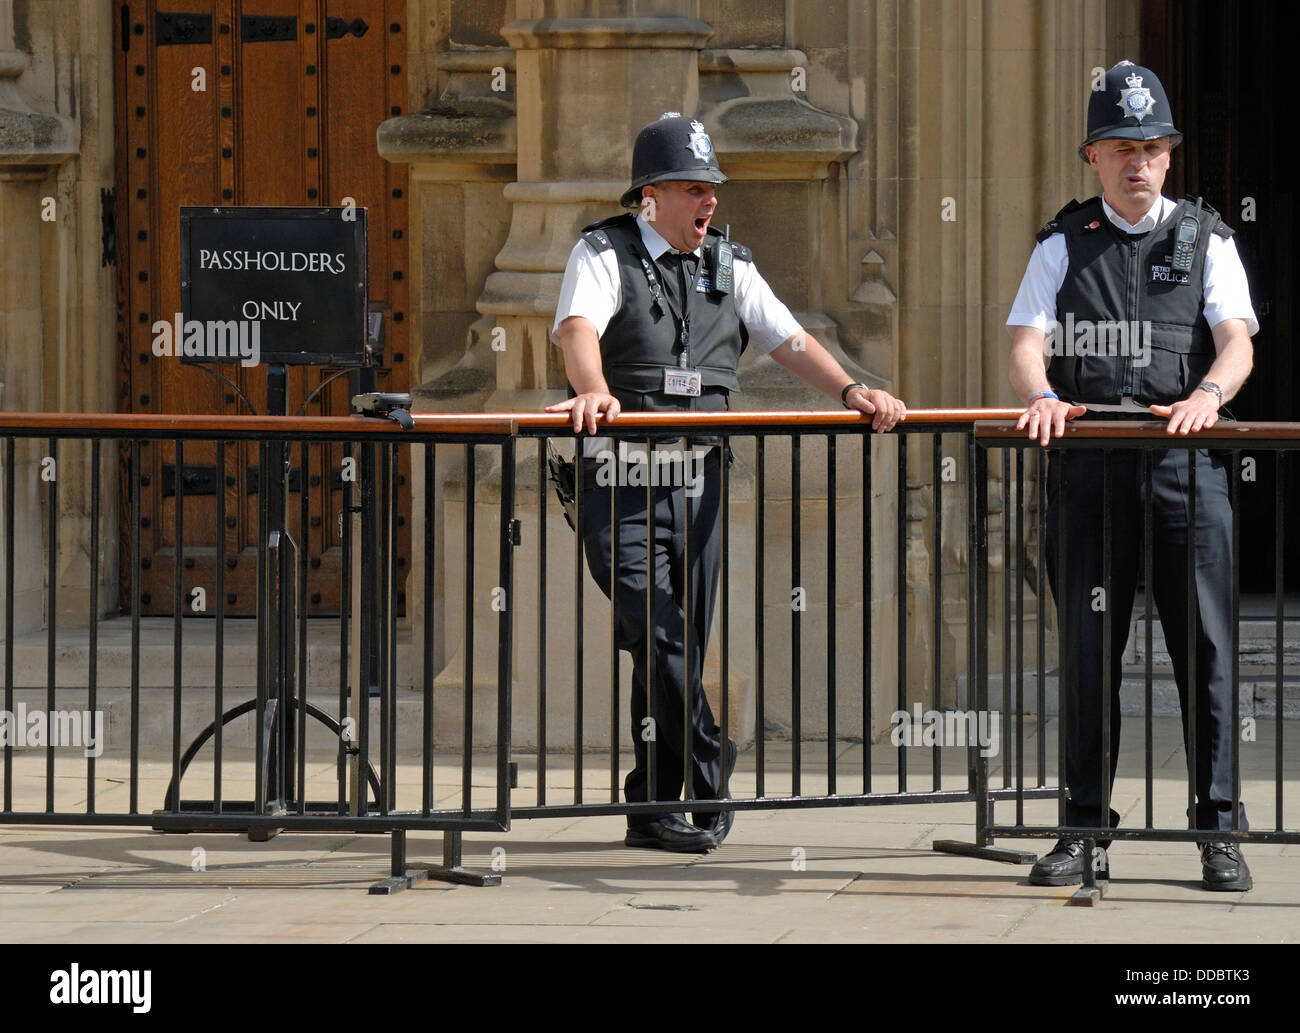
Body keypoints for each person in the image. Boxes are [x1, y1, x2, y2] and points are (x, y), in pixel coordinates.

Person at [546, 113, 906, 852]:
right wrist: (591, 388)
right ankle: (713, 761)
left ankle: (651, 807)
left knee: (671, 646)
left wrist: (851, 391)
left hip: (700, 481)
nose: (707, 201)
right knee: (660, 631)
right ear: (649, 195)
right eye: (690, 188)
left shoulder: (729, 264)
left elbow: (790, 338)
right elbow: (576, 328)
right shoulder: (603, 250)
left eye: (711, 187)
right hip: (622, 479)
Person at [1006, 62, 1257, 890]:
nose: (1137, 161)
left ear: (1170, 156)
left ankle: (1218, 827)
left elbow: (1237, 339)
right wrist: (1040, 394)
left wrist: (1210, 394)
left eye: (1151, 146)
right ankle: (1082, 828)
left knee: (1208, 650)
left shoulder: (1208, 238)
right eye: (1121, 147)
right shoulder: (1060, 244)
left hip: (1186, 465)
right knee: (1087, 652)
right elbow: (1024, 341)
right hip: (1091, 471)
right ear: (1093, 156)